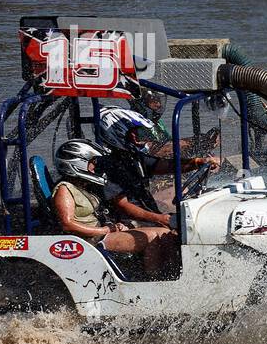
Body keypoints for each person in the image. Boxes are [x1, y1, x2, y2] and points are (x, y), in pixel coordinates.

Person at [51, 139, 177, 277]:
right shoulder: (64, 189)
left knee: (165, 232)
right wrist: (105, 229)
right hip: (87, 240)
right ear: (77, 164)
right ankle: (154, 281)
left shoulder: (84, 186)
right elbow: (67, 225)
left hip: (102, 231)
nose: (95, 167)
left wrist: (114, 226)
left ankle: (171, 276)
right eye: (92, 162)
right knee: (153, 237)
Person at [98, 104, 221, 228]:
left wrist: (198, 162)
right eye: (136, 134)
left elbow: (168, 165)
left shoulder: (133, 157)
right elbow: (123, 206)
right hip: (129, 222)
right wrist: (159, 219)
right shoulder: (108, 165)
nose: (140, 138)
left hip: (150, 214)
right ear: (117, 132)